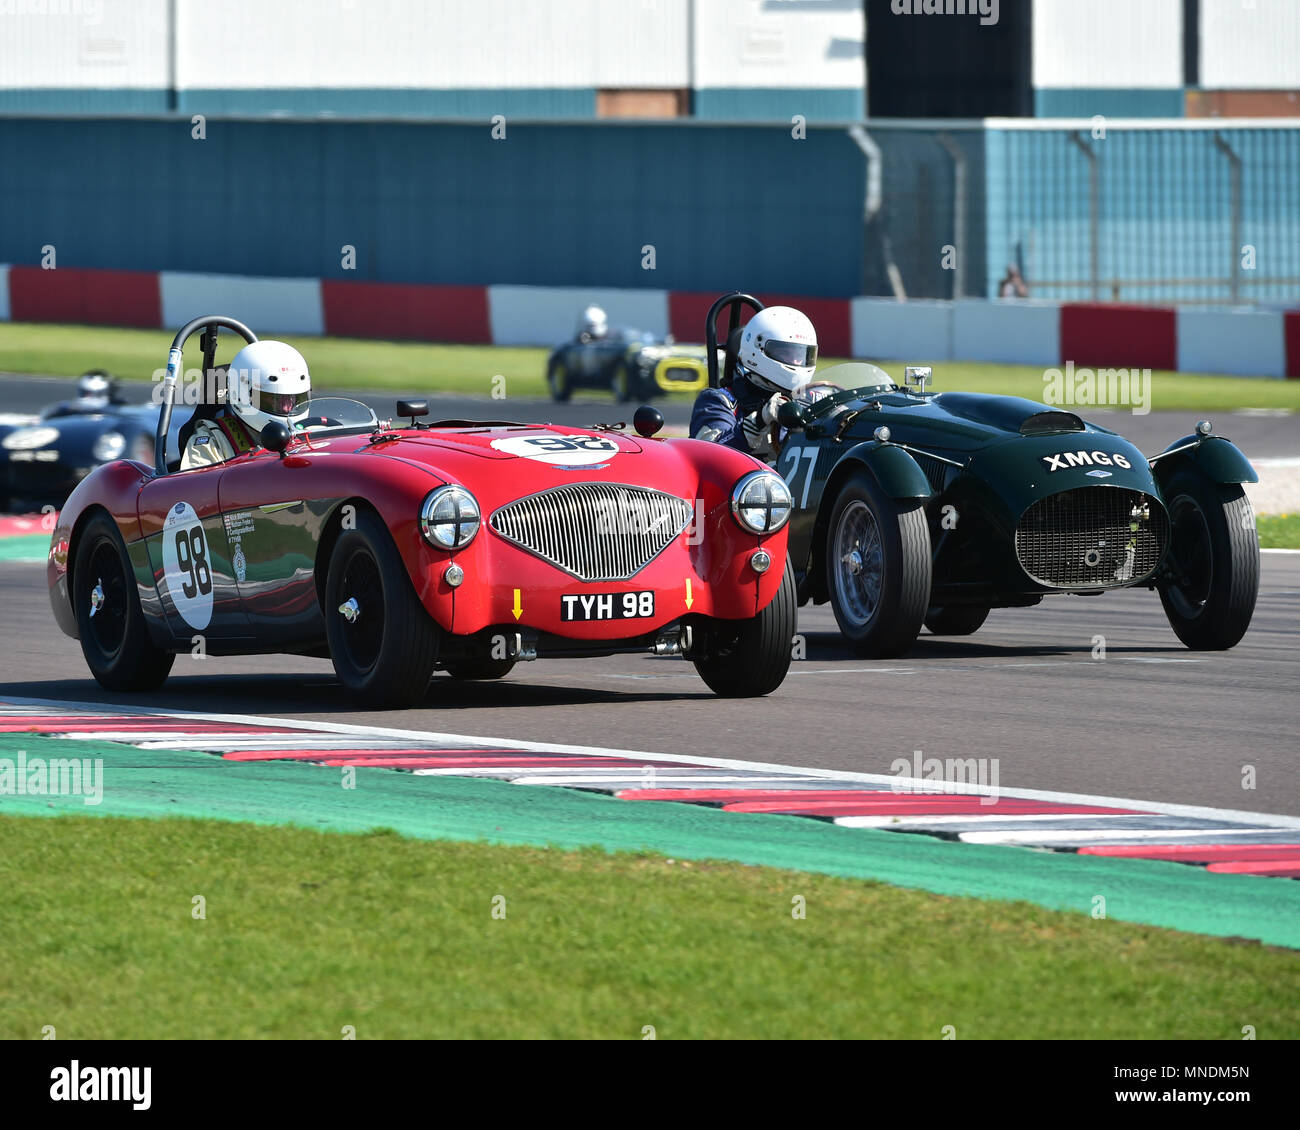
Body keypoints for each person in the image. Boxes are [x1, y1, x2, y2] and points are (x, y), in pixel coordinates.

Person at [689, 305, 818, 463]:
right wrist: (758, 422)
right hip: (746, 485)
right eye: (787, 353)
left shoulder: (809, 400)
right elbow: (709, 457)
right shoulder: (720, 401)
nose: (797, 362)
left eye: (802, 355)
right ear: (757, 349)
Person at [181, 340, 312, 470]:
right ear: (242, 395)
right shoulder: (213, 441)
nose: (287, 407)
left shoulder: (313, 431)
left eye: (295, 398)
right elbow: (196, 488)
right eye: (275, 398)